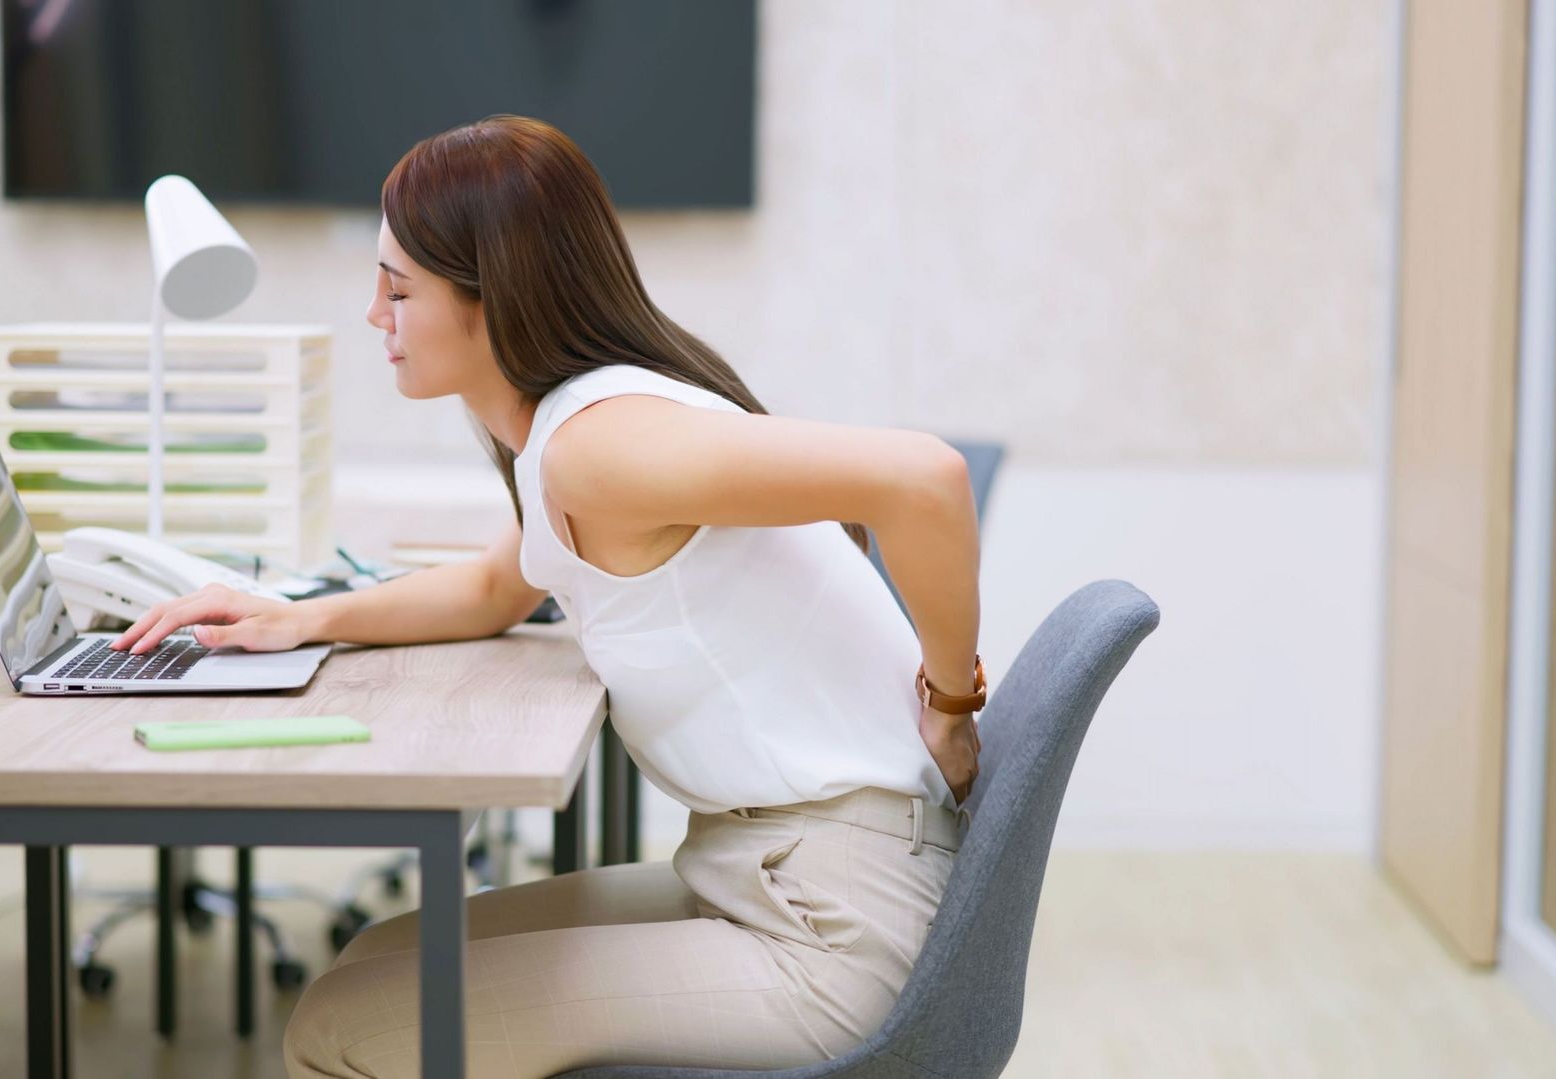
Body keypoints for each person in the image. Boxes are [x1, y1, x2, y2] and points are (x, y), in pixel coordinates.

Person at [108, 114, 986, 1079]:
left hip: (831, 922)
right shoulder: (576, 425)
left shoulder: (600, 447)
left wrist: (949, 707)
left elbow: (925, 481)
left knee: (338, 1029)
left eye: (398, 288)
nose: (374, 316)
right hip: (764, 869)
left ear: (494, 297)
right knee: (373, 963)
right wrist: (299, 617)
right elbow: (497, 585)